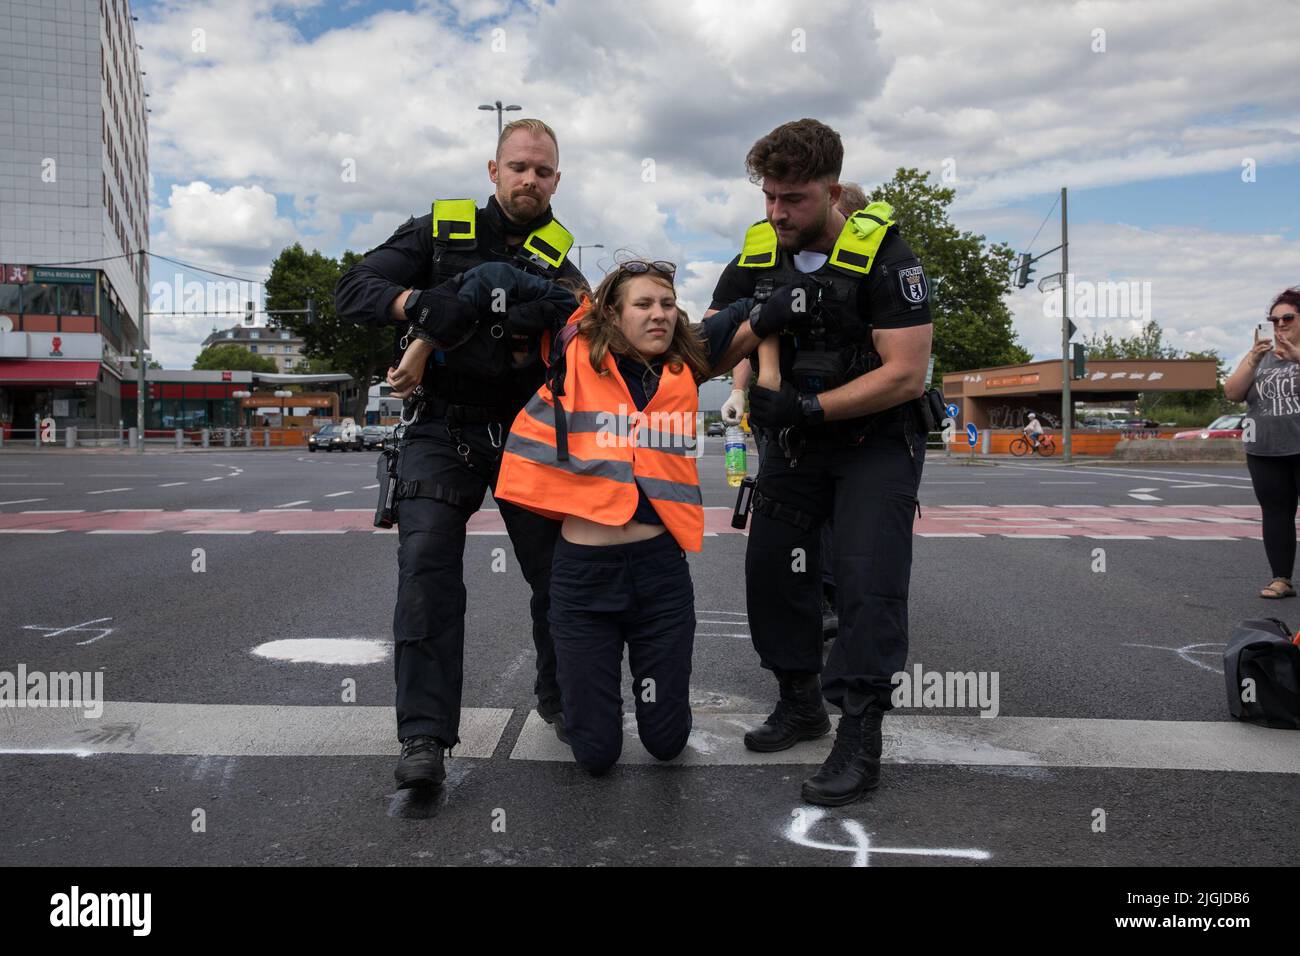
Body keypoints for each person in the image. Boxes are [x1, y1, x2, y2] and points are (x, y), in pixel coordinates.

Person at [334, 118, 589, 790]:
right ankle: (423, 737)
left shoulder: (560, 251)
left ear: (556, 180)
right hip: (440, 429)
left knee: (561, 576)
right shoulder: (438, 230)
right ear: (493, 171)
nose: (529, 180)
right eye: (518, 167)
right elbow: (353, 290)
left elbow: (586, 324)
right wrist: (425, 305)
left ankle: (563, 701)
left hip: (531, 432)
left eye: (542, 171)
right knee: (425, 570)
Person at [708, 118, 933, 806]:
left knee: (867, 584)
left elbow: (906, 374)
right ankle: (799, 701)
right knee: (774, 572)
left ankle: (860, 736)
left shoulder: (890, 258)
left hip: (873, 443)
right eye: (769, 197)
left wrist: (811, 410)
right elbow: (709, 353)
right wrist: (763, 317)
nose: (777, 212)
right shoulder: (757, 252)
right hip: (791, 446)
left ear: (833, 191)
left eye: (793, 199)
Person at [493, 260, 765, 774]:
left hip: (659, 573)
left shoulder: (687, 367)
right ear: (612, 315)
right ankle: (587, 706)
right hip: (582, 579)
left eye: (667, 304)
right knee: (596, 754)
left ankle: (652, 713)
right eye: (643, 304)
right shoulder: (575, 354)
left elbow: (755, 309)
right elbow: (502, 281)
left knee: (666, 744)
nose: (659, 314)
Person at [719, 178, 869, 642]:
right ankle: (816, 599)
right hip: (779, 412)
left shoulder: (874, 265)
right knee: (794, 513)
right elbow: (744, 336)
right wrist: (740, 393)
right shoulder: (765, 259)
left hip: (848, 416)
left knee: (840, 513)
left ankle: (831, 594)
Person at [1225, 287, 1300, 600]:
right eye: (1274, 319)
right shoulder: (1261, 355)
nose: (1279, 324)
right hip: (1265, 448)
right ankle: (1281, 579)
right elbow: (1232, 392)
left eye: (1287, 318)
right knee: (1276, 512)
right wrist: (1253, 358)